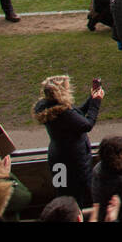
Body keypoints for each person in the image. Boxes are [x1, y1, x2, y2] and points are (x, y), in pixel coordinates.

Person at [32, 74, 102, 207]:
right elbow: (86, 124)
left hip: (58, 158)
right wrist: (96, 103)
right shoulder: (64, 113)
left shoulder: (49, 107)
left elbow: (77, 114)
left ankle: (63, 212)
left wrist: (92, 99)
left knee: (62, 190)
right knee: (80, 194)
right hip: (73, 160)